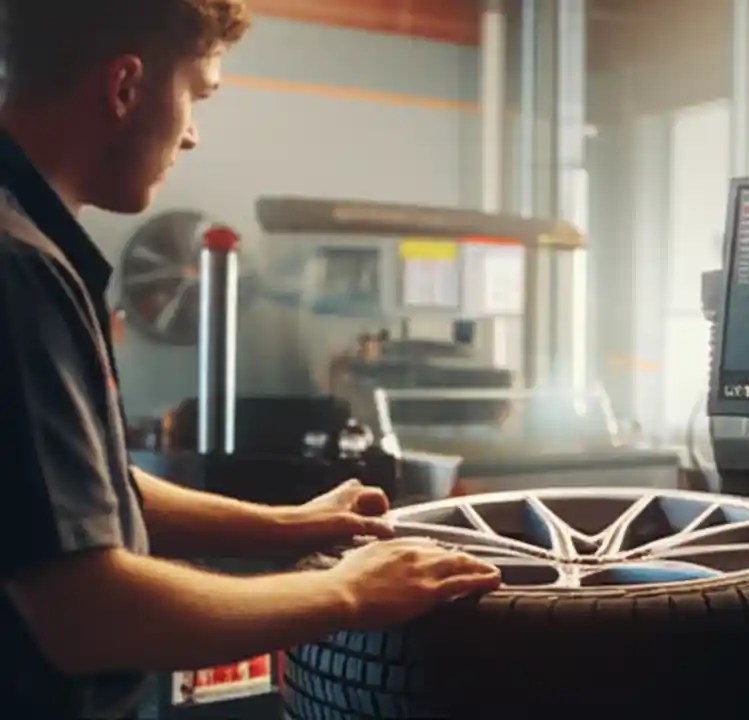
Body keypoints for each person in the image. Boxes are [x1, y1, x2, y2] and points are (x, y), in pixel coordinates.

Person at [0, 1, 502, 717]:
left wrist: (290, 525)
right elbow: (85, 612)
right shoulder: (20, 269)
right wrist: (348, 591)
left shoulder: (27, 245)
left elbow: (83, 492)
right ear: (124, 88)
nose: (193, 135)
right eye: (197, 96)